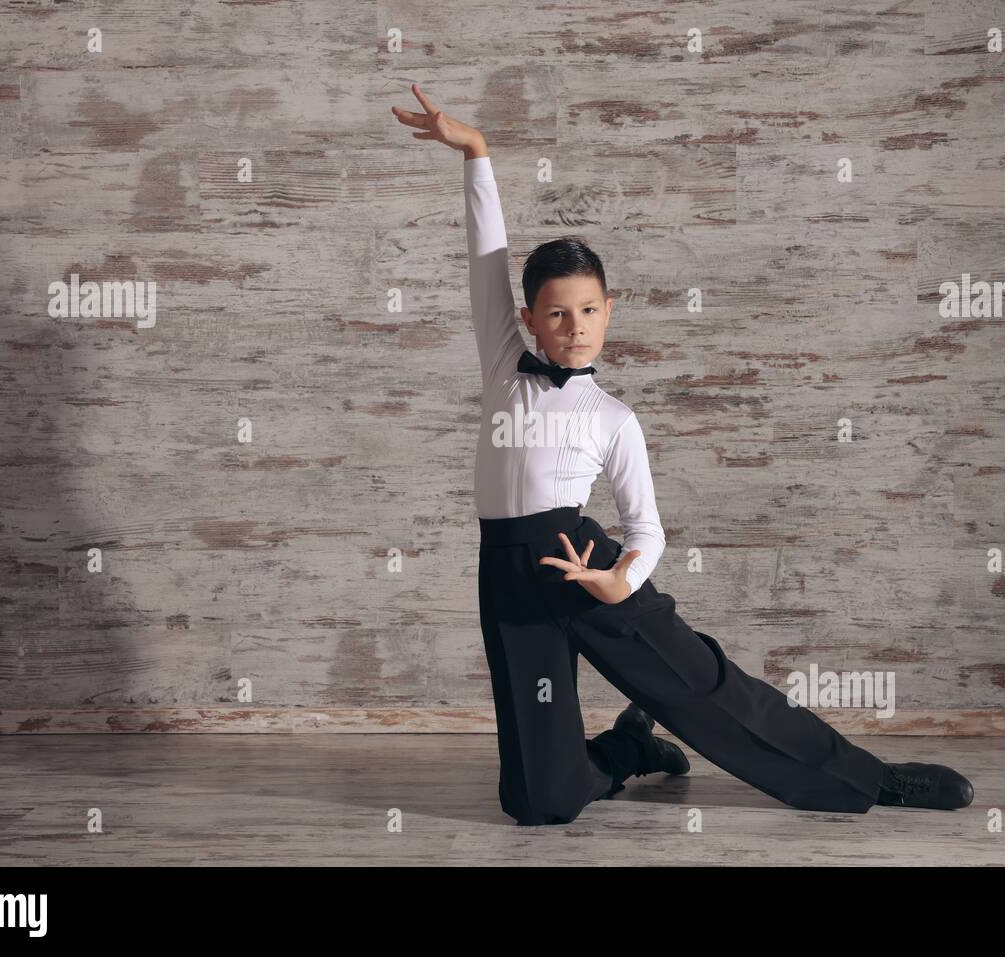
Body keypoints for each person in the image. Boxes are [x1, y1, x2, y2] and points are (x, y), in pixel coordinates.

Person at [391, 83, 974, 826]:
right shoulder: (506, 367)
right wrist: (476, 153)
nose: (576, 326)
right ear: (528, 321)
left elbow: (649, 528)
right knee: (538, 802)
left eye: (590, 309)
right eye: (558, 313)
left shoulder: (612, 417)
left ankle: (868, 777)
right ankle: (633, 746)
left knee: (704, 689)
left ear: (610, 311)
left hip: (588, 562)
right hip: (509, 575)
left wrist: (619, 579)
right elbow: (487, 255)